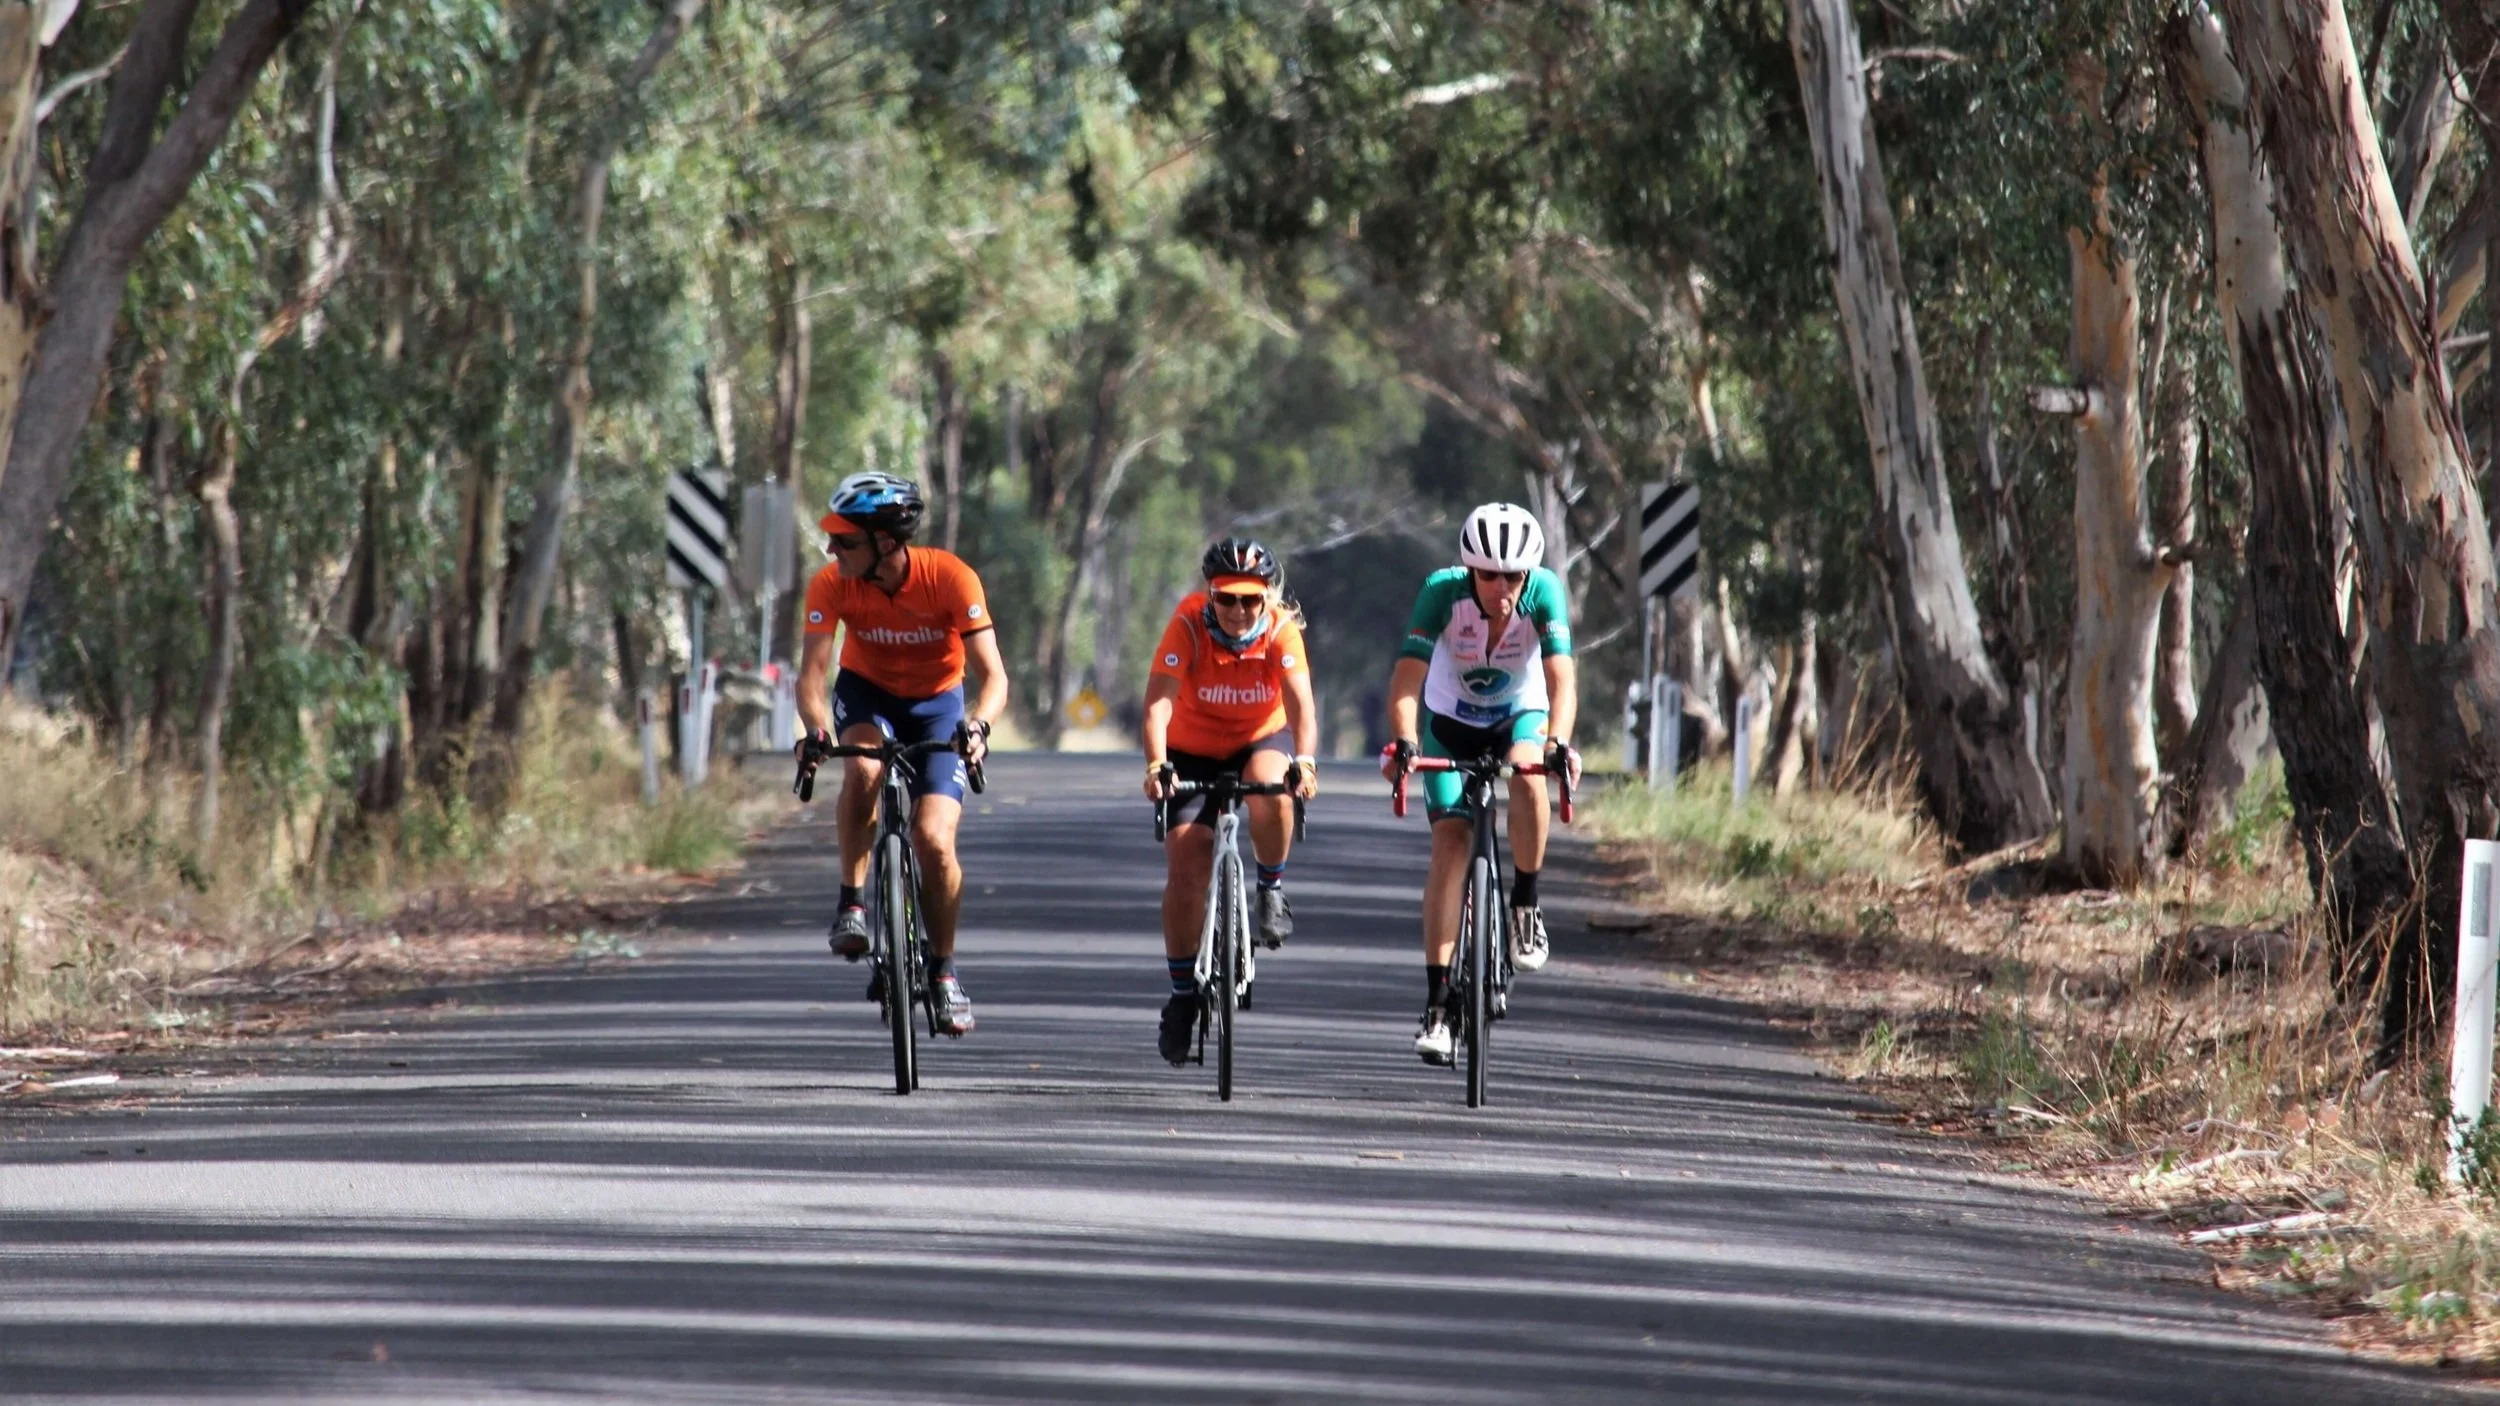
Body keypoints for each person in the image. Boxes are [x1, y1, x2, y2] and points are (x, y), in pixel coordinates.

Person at [794, 471, 1008, 1037]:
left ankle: (943, 974)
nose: (832, 550)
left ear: (886, 542)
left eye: (845, 540)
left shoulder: (950, 578)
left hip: (938, 706)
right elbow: (813, 676)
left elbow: (995, 678)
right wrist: (817, 730)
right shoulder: (833, 583)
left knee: (934, 840)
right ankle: (853, 903)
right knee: (863, 766)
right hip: (867, 696)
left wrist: (979, 726)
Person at [1379, 503, 1580, 1066]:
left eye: (1512, 575)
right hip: (1449, 726)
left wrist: (1559, 743)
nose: (1501, 586)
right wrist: (1406, 740)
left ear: (1527, 574)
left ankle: (1525, 904)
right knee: (1450, 844)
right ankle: (1439, 1005)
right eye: (1488, 575)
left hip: (1519, 715)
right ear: (1470, 570)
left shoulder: (1544, 592)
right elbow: (1406, 681)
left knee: (1527, 776)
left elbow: (1562, 678)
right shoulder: (1441, 592)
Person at [1141, 538, 1321, 1066]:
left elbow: (1301, 706)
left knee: (1272, 788)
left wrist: (1305, 761)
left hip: (1258, 741)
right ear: (1209, 595)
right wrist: (1156, 766)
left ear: (1267, 599)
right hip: (1191, 750)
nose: (1239, 612)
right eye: (1227, 600)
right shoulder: (1188, 625)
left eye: (1250, 600)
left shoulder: (1282, 632)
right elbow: (1157, 705)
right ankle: (1180, 998)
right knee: (1185, 862)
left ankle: (1270, 889)